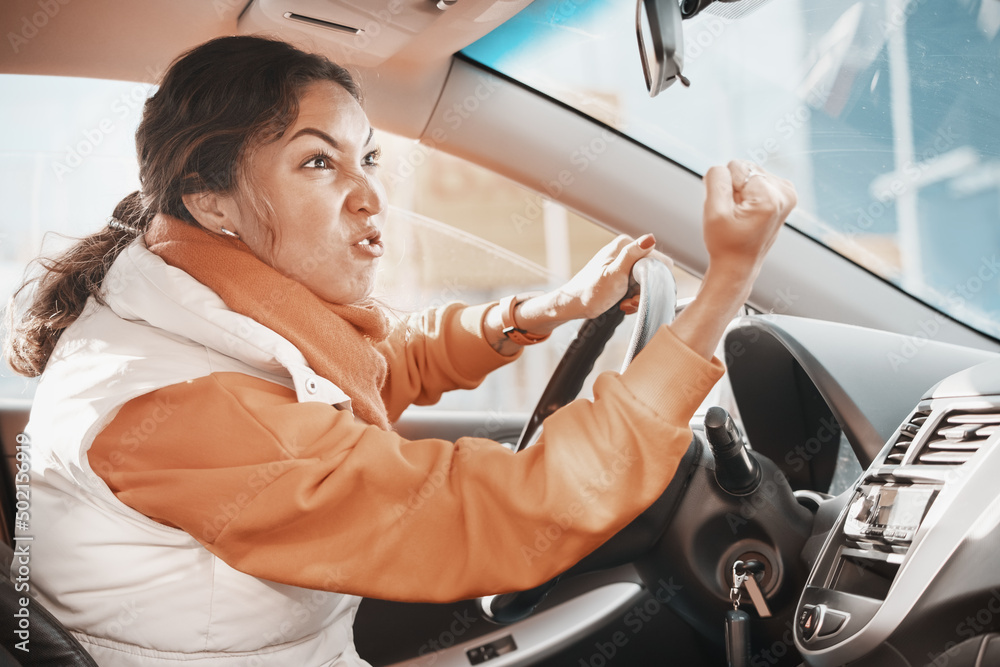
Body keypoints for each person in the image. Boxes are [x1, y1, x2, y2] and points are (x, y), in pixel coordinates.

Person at [5, 36, 796, 667]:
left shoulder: (198, 310)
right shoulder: (184, 404)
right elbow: (509, 514)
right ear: (212, 201)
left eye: (369, 158)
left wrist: (544, 311)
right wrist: (725, 286)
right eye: (319, 161)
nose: (370, 194)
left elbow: (376, 366)